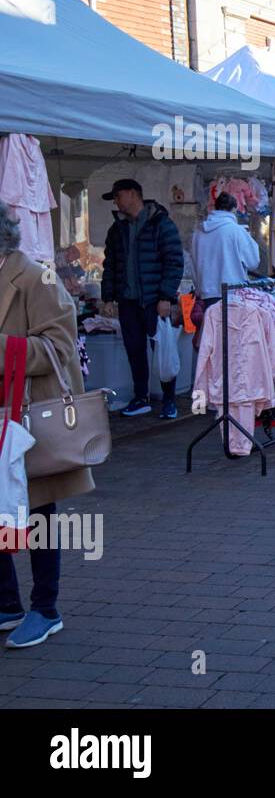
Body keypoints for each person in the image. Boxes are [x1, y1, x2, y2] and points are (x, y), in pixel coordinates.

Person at [0, 203, 94, 648]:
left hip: (26, 417)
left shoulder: (38, 278)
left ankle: (45, 608)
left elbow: (60, 350)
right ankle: (7, 603)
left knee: (38, 512)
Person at [99, 178, 183, 419]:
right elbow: (111, 265)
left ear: (132, 194)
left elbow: (174, 261)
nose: (115, 201)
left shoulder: (161, 224)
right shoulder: (117, 230)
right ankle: (140, 398)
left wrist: (166, 296)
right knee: (134, 350)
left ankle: (169, 400)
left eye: (117, 196)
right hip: (128, 301)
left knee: (163, 349)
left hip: (155, 300)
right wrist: (107, 297)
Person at [190, 191, 259, 321]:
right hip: (233, 293)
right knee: (232, 336)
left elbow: (193, 261)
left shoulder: (199, 232)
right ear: (234, 209)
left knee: (213, 335)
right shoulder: (236, 231)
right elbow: (253, 261)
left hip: (207, 294)